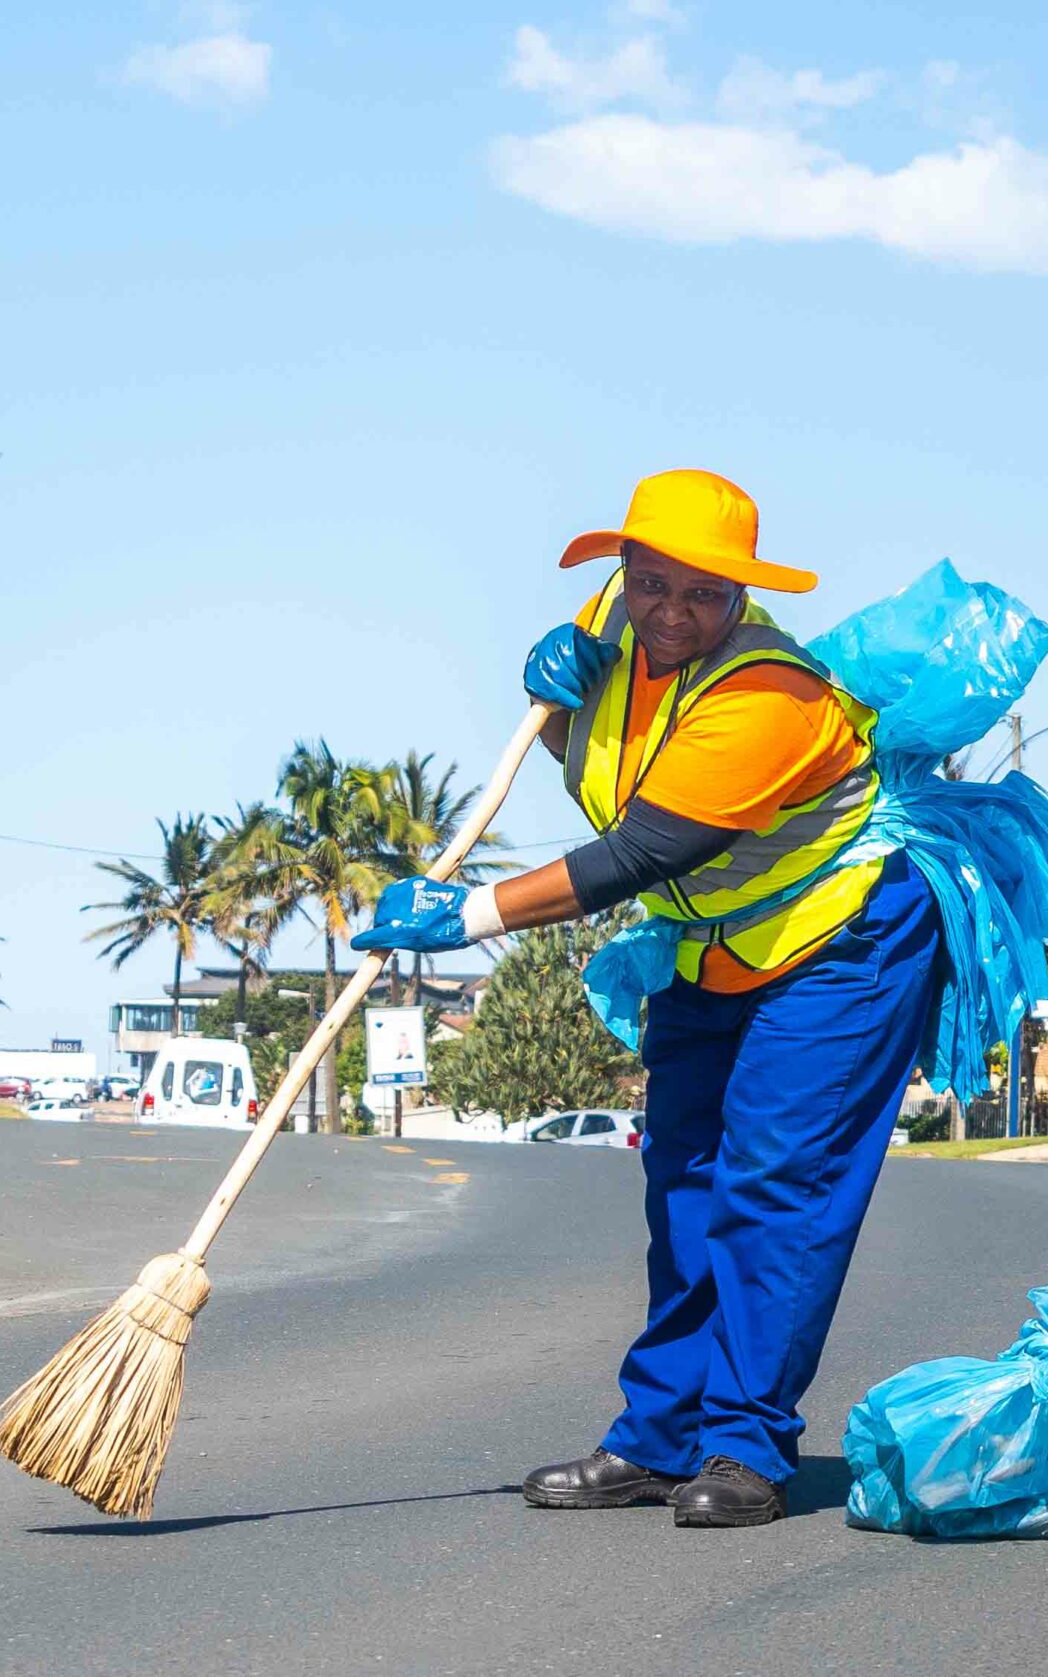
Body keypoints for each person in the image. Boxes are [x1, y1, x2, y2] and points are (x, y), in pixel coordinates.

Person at [353, 468, 944, 1529]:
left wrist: (464, 916)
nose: (671, 612)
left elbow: (642, 849)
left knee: (775, 1189)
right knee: (680, 1191)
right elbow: (597, 761)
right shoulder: (606, 628)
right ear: (621, 570)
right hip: (714, 946)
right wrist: (544, 707)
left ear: (741, 597)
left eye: (703, 595)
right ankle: (657, 1439)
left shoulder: (771, 699)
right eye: (651, 583)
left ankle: (747, 1445)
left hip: (843, 944)